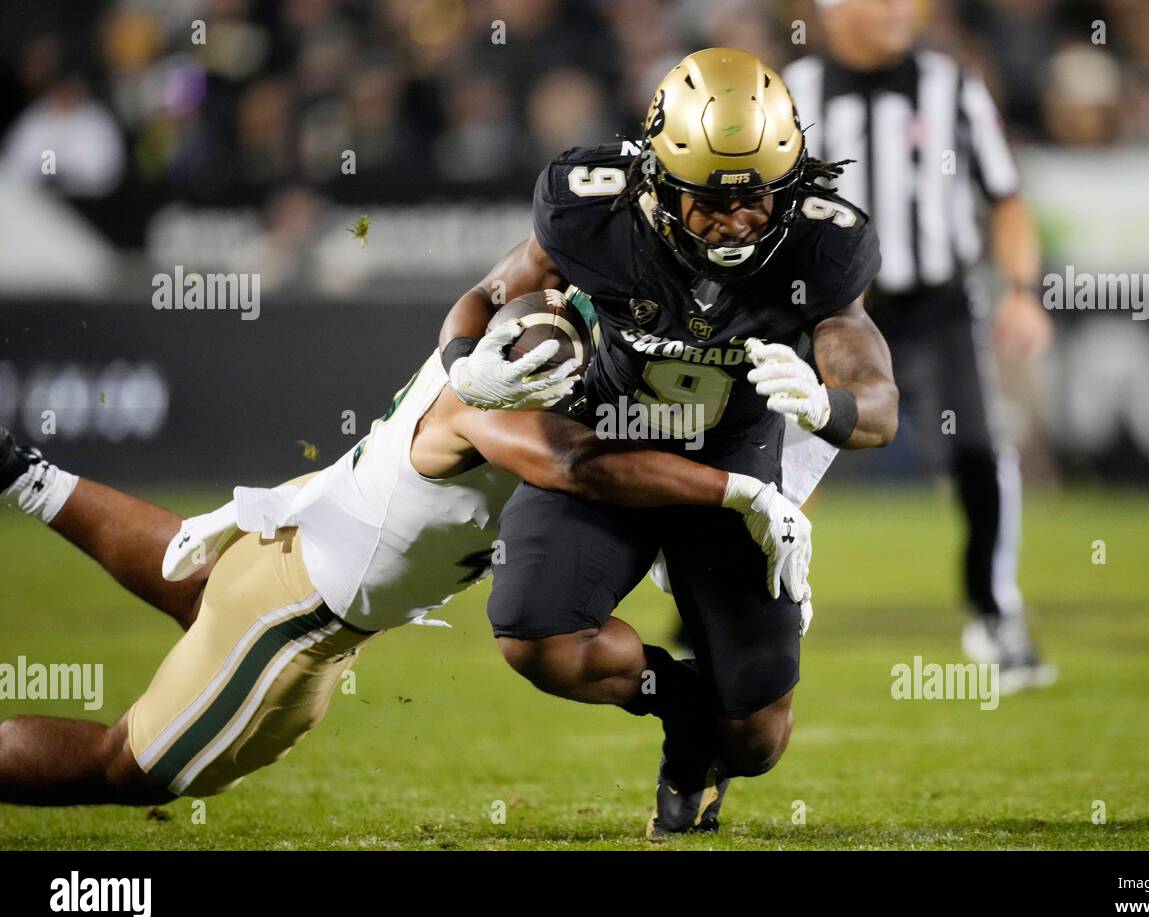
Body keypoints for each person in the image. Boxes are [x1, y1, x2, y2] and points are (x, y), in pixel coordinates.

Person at [0, 318, 810, 806]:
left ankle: (24, 476)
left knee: (204, 588)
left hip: (301, 534)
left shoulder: (484, 341)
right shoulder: (500, 401)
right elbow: (580, 467)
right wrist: (737, 494)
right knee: (132, 768)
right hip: (298, 620)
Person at [439, 48, 898, 837]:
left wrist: (829, 405)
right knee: (537, 635)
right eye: (710, 203)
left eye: (757, 198)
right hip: (607, 446)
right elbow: (485, 299)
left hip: (731, 461)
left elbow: (881, 403)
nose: (737, 221)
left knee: (755, 737)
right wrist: (465, 367)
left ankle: (708, 747)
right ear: (655, 182)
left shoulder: (822, 244)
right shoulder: (594, 212)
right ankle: (684, 709)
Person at [783, 0, 1056, 692]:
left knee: (978, 451)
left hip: (938, 305)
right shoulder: (793, 93)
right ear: (835, 12)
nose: (902, 10)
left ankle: (995, 611)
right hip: (830, 312)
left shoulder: (953, 85)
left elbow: (1007, 196)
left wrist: (1023, 289)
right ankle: (738, 608)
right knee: (781, 460)